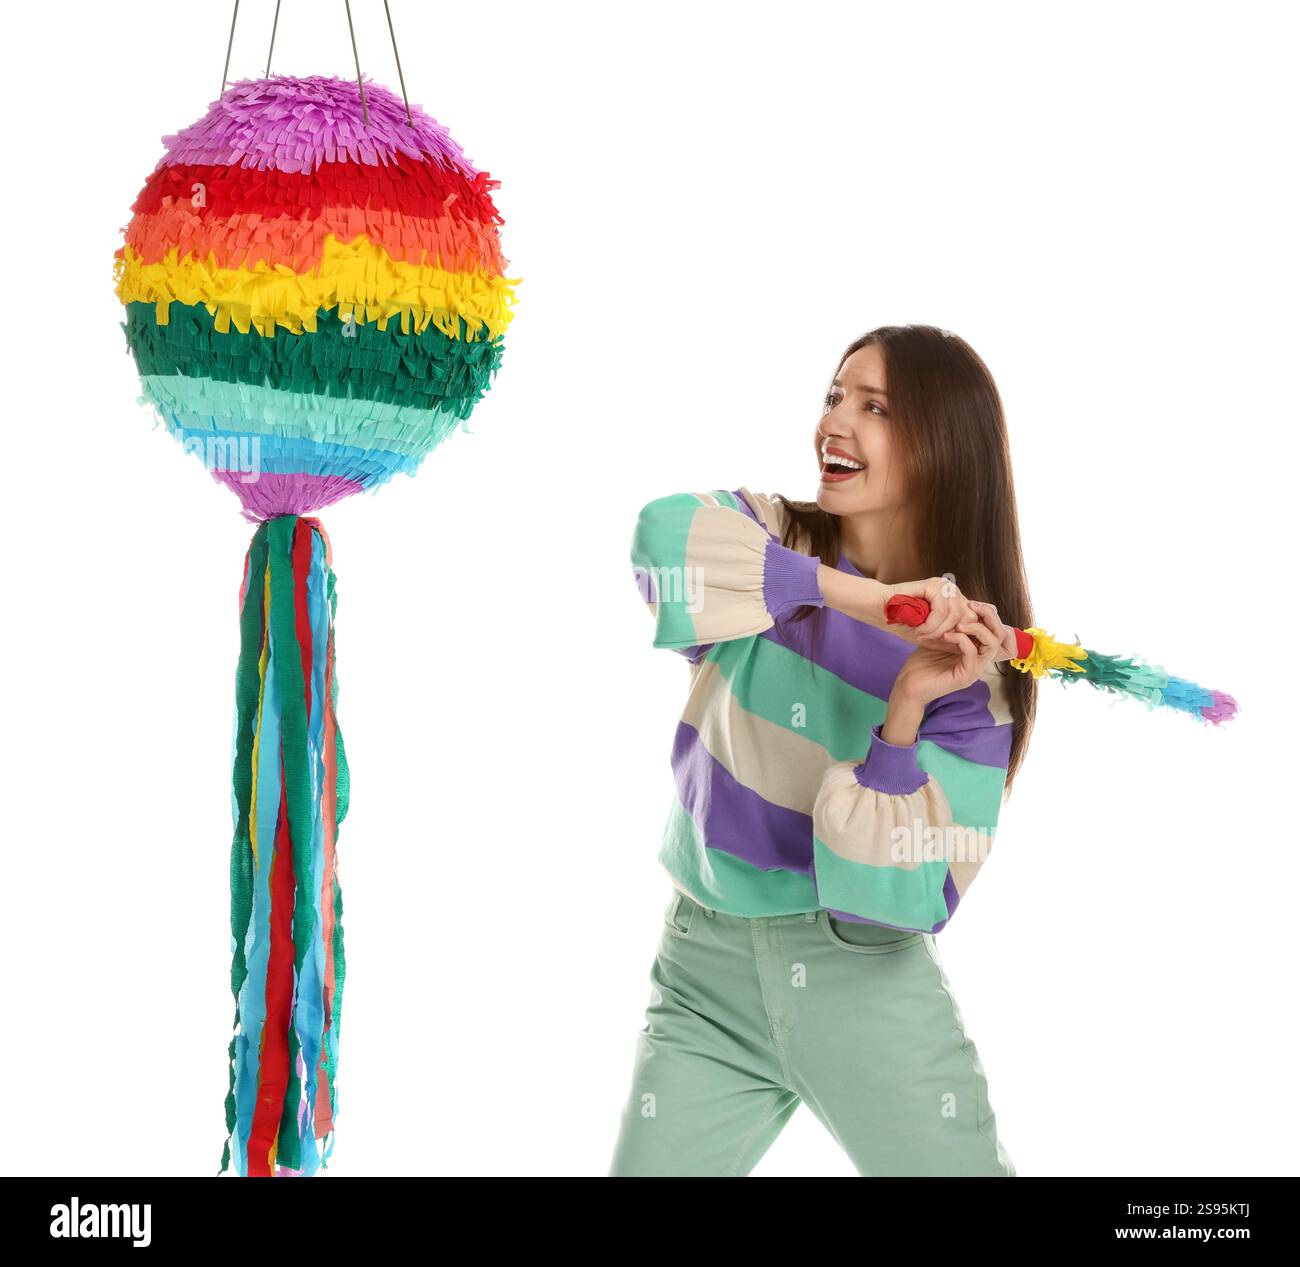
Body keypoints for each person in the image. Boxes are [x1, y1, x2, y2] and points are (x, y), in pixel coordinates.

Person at [609, 324, 1035, 1177]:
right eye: (835, 394)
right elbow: (661, 538)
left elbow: (894, 898)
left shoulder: (971, 682)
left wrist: (906, 710)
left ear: (943, 446)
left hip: (862, 988)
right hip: (703, 970)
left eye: (874, 406)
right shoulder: (767, 544)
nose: (835, 421)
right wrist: (868, 600)